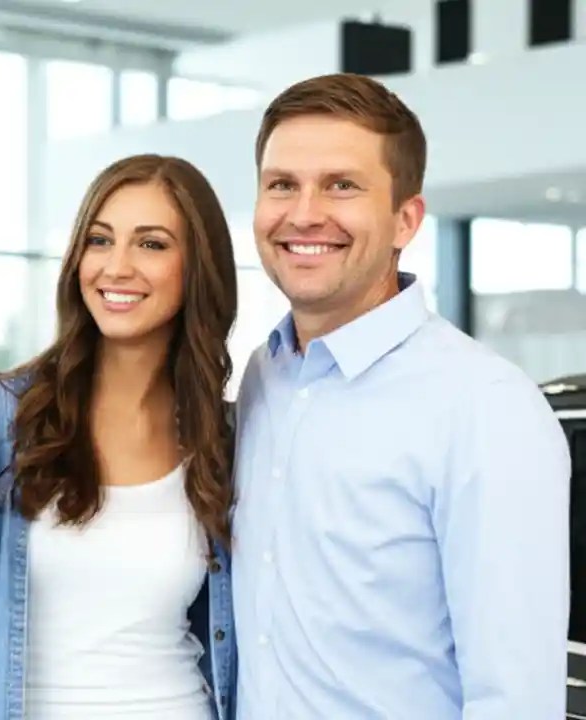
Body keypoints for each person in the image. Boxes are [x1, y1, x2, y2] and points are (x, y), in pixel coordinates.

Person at [232, 72, 571, 719]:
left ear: (405, 220)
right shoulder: (262, 378)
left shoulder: (485, 407)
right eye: (282, 184)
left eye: (342, 186)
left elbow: (515, 699)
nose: (304, 214)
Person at [0, 153, 240, 720]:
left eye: (152, 244)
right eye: (99, 240)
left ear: (197, 268)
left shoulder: (226, 435)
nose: (117, 266)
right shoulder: (3, 413)